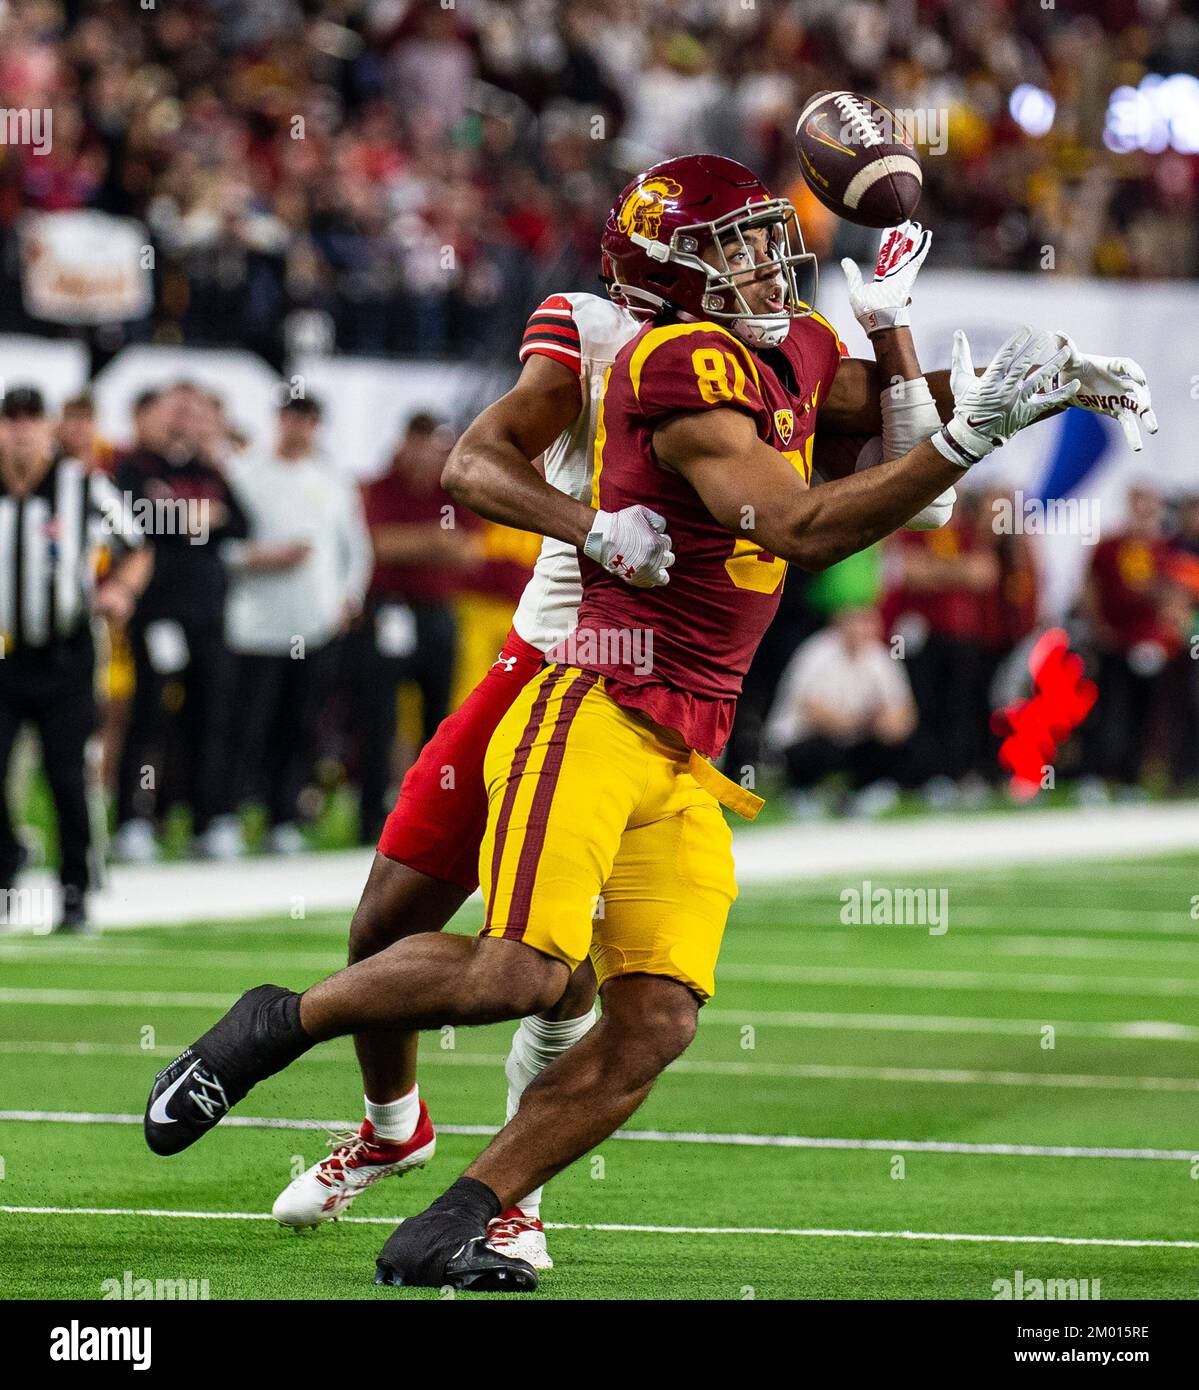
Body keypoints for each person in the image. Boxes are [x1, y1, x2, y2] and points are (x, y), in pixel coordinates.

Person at [143, 157, 1155, 1292]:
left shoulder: (794, 342)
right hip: (583, 679)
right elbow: (797, 523)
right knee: (486, 954)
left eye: (768, 239)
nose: (766, 262)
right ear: (666, 264)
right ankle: (303, 1044)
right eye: (734, 243)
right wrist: (587, 526)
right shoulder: (656, 353)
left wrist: (904, 330)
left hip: (690, 733)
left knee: (650, 1012)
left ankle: (476, 1211)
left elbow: (907, 482)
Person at [0, 386, 151, 931]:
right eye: (9, 420)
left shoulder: (83, 485)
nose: (19, 431)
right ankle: (7, 862)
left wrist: (121, 592)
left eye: (29, 420)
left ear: (47, 428)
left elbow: (136, 547)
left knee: (66, 776)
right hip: (2, 657)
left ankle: (73, 893)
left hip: (64, 654)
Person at [223, 393, 372, 856]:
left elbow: (357, 549)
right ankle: (227, 815)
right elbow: (219, 547)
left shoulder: (333, 480)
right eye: (290, 416)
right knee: (247, 726)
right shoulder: (244, 475)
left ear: (316, 424)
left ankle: (282, 816)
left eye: (306, 418)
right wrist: (261, 557)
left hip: (314, 625)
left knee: (301, 724)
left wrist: (349, 599)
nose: (298, 426)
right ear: (277, 420)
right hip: (255, 626)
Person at [112, 381, 248, 862]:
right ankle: (131, 819)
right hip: (157, 613)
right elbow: (134, 522)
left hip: (208, 615)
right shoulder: (132, 467)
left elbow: (240, 522)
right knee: (148, 716)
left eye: (193, 414)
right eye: (176, 413)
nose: (184, 423)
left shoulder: (207, 469)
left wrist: (192, 515)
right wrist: (193, 516)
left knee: (209, 716)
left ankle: (207, 817)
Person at [351, 413, 478, 844]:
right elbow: (373, 545)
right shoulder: (381, 486)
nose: (429, 454)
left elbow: (468, 552)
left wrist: (408, 543)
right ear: (404, 443)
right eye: (422, 443)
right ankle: (371, 817)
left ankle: (428, 817)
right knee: (378, 717)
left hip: (437, 612)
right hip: (387, 611)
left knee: (439, 721)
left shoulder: (452, 487)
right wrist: (432, 542)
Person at [765, 605, 917, 815]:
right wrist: (861, 723)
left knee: (899, 744)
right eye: (853, 622)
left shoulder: (880, 656)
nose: (859, 630)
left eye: (865, 623)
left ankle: (861, 793)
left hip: (853, 738)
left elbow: (904, 710)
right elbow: (811, 711)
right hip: (810, 737)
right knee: (813, 751)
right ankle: (803, 792)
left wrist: (890, 723)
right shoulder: (816, 652)